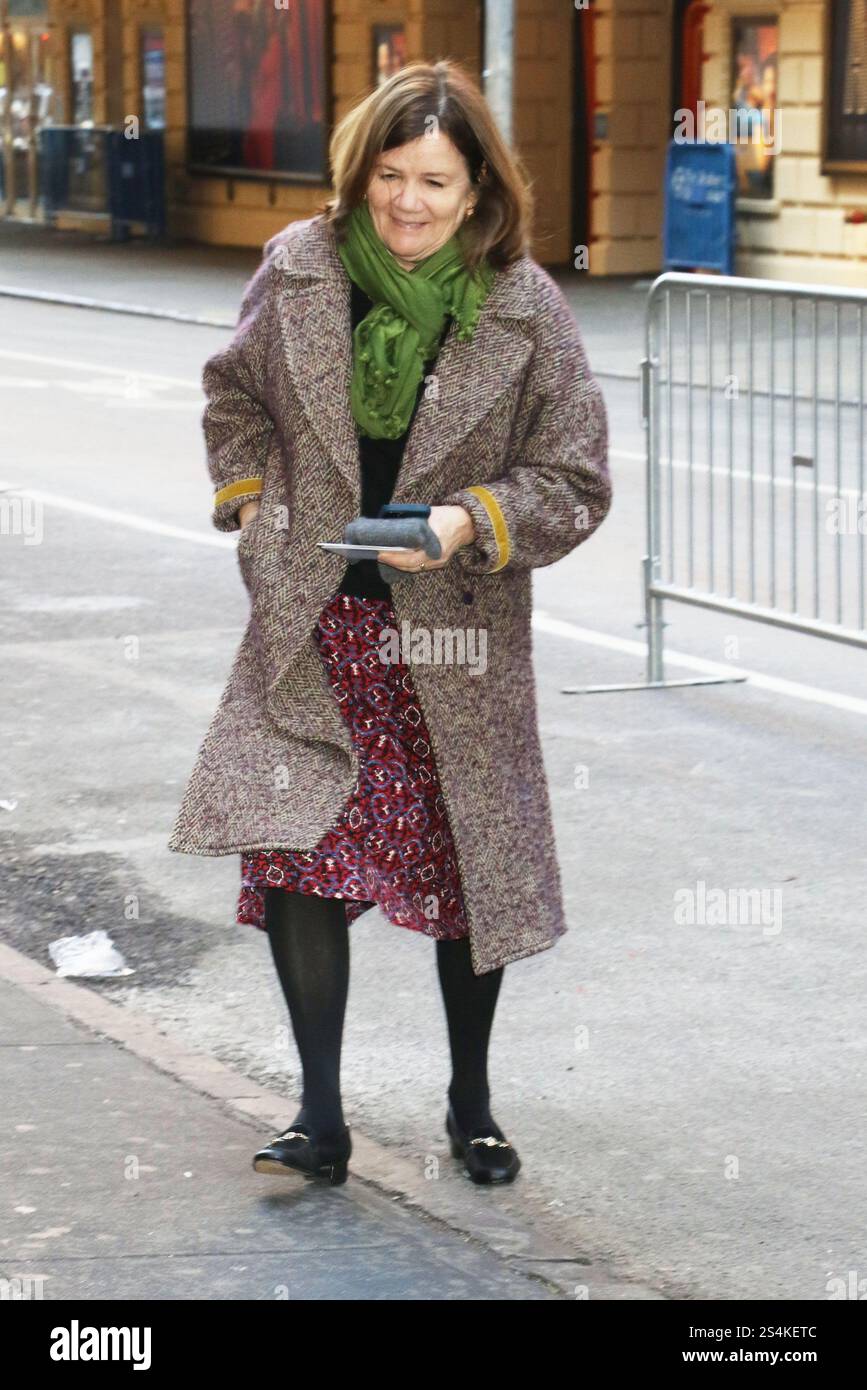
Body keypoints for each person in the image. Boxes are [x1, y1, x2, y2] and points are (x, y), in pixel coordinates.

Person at [169, 60, 611, 1188]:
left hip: (452, 643)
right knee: (302, 858)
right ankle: (320, 1115)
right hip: (317, 625)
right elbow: (234, 395)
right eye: (389, 176)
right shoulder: (301, 269)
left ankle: (472, 1100)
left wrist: (468, 522)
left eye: (435, 181)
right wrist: (251, 505)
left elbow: (575, 477)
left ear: (478, 194)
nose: (408, 203)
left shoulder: (525, 308)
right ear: (359, 173)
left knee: (471, 870)